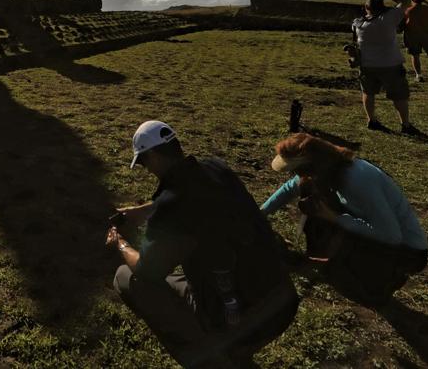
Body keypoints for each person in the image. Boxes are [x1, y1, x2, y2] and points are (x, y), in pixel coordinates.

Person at [106, 121, 298, 367]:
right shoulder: (215, 169)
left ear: (153, 156)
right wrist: (144, 211)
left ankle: (211, 357)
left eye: (143, 162)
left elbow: (147, 270)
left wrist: (120, 243)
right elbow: (196, 199)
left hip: (245, 316)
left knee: (126, 277)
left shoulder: (172, 207)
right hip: (281, 298)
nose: (147, 169)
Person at [260, 133, 428, 307]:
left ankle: (383, 277)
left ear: (312, 166)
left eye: (297, 170)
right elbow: (290, 188)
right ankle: (333, 257)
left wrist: (336, 218)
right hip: (384, 234)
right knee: (310, 194)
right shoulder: (329, 167)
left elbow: (392, 236)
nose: (295, 175)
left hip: (408, 252)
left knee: (324, 213)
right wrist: (261, 213)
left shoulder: (358, 181)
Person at [351, 0, 419, 135]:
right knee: (399, 96)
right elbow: (406, 1)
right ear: (382, 7)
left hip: (367, 64)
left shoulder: (358, 23)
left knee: (368, 93)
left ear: (366, 8)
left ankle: (371, 120)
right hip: (390, 64)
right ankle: (405, 124)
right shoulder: (389, 17)